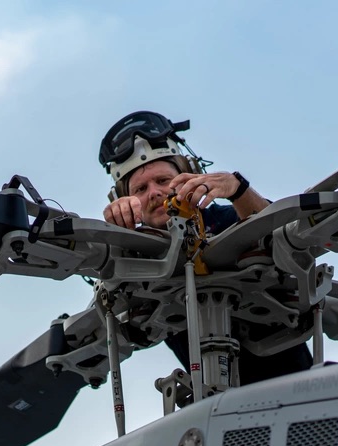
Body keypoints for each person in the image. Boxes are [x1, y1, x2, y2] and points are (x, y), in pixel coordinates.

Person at [98, 111, 312, 385]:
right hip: (219, 404)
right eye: (140, 189)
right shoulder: (137, 256)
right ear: (123, 199)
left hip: (297, 389)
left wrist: (239, 189)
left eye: (163, 181)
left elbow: (280, 231)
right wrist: (116, 235)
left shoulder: (227, 219)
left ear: (190, 178)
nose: (154, 193)